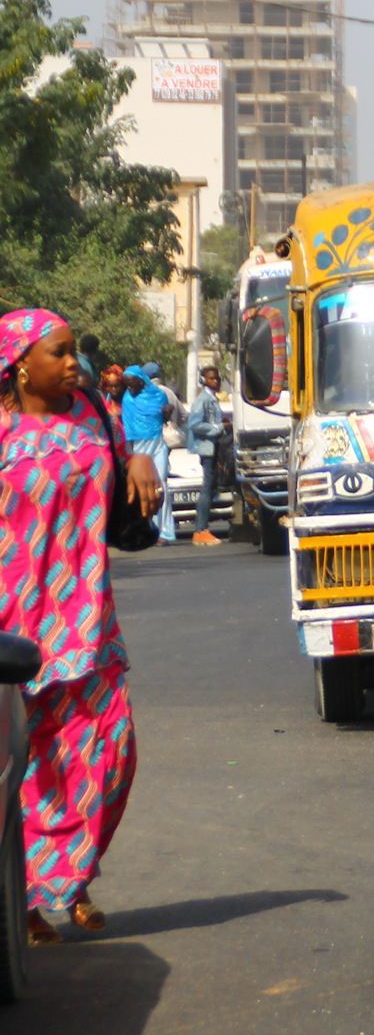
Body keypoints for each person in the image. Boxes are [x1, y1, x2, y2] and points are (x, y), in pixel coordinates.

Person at [0, 309, 162, 944]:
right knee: (30, 764)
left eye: (74, 352)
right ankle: (35, 901)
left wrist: (140, 464)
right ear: (18, 366)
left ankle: (70, 873)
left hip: (87, 620)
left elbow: (129, 473)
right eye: (59, 353)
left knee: (110, 751)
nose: (75, 364)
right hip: (14, 628)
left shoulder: (96, 415)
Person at [120, 366, 176, 544]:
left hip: (157, 444)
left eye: (131, 384)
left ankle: (165, 531)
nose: (129, 388)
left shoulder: (159, 396)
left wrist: (168, 412)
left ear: (141, 380)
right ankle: (145, 528)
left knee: (161, 485)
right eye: (126, 385)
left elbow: (165, 419)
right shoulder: (128, 399)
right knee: (142, 488)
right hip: (138, 447)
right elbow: (127, 427)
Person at [187, 365, 226, 546]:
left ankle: (203, 529)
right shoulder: (202, 400)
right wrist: (217, 428)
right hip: (206, 449)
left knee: (212, 488)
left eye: (217, 378)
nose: (215, 381)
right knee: (207, 489)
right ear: (203, 380)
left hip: (215, 448)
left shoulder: (213, 399)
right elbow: (194, 424)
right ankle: (201, 530)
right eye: (211, 378)